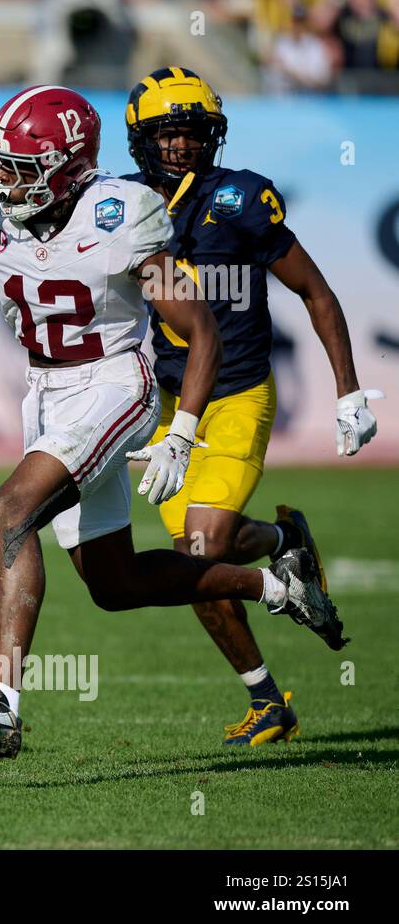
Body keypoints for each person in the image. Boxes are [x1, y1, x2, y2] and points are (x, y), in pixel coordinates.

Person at [0, 86, 340, 760]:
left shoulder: (118, 216)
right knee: (114, 586)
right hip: (46, 395)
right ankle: (276, 583)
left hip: (117, 384)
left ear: (68, 166)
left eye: (21, 167)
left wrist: (182, 429)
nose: (3, 179)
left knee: (11, 511)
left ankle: (3, 703)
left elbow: (200, 329)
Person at [122, 66, 377, 745]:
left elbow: (316, 293)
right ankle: (269, 691)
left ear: (213, 136)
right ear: (141, 140)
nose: (178, 145)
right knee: (194, 561)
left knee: (201, 544)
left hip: (235, 392)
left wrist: (347, 388)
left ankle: (279, 549)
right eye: (166, 133)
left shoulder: (239, 199)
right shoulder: (120, 206)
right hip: (170, 400)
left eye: (190, 132)